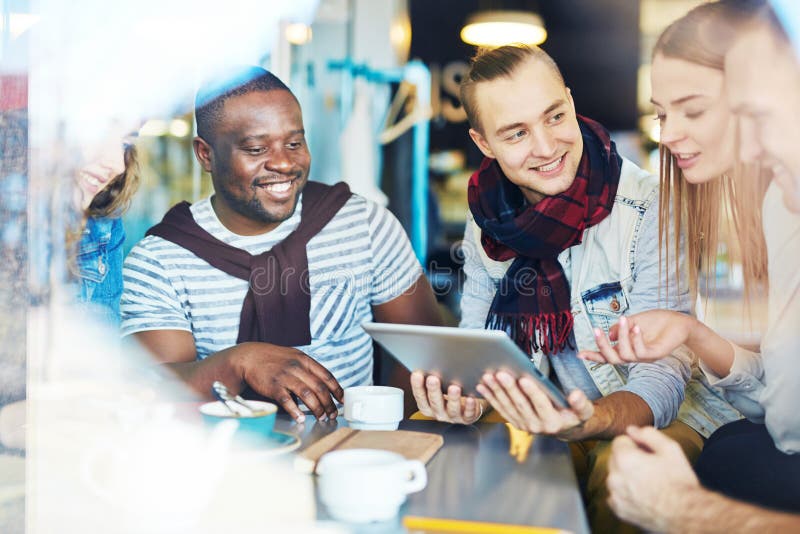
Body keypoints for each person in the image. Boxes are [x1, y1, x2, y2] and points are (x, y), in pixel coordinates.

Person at [410, 44, 740, 532]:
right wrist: (468, 397)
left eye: (554, 116)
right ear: (484, 144)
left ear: (569, 99)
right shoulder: (487, 220)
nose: (546, 147)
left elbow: (663, 377)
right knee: (440, 447)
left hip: (660, 414)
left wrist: (586, 421)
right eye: (517, 133)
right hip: (547, 410)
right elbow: (478, 343)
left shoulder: (651, 206)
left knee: (624, 477)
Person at [579, 2, 800, 529]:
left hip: (748, 434)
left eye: (694, 111)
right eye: (661, 115)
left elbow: (783, 421)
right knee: (730, 451)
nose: (669, 134)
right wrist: (690, 333)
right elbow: (776, 401)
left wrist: (682, 508)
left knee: (727, 456)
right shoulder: (724, 209)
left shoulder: (779, 201)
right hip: (751, 429)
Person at [121, 66, 441, 423]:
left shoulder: (363, 225)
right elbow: (152, 387)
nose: (284, 163)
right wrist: (238, 362)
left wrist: (378, 434)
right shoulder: (161, 258)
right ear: (205, 154)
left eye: (294, 143)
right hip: (222, 451)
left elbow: (427, 353)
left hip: (351, 447)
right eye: (256, 148)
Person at [73, 137, 140, 324]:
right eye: (100, 134)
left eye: (125, 144)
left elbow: (103, 328)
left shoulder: (104, 223)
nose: (119, 165)